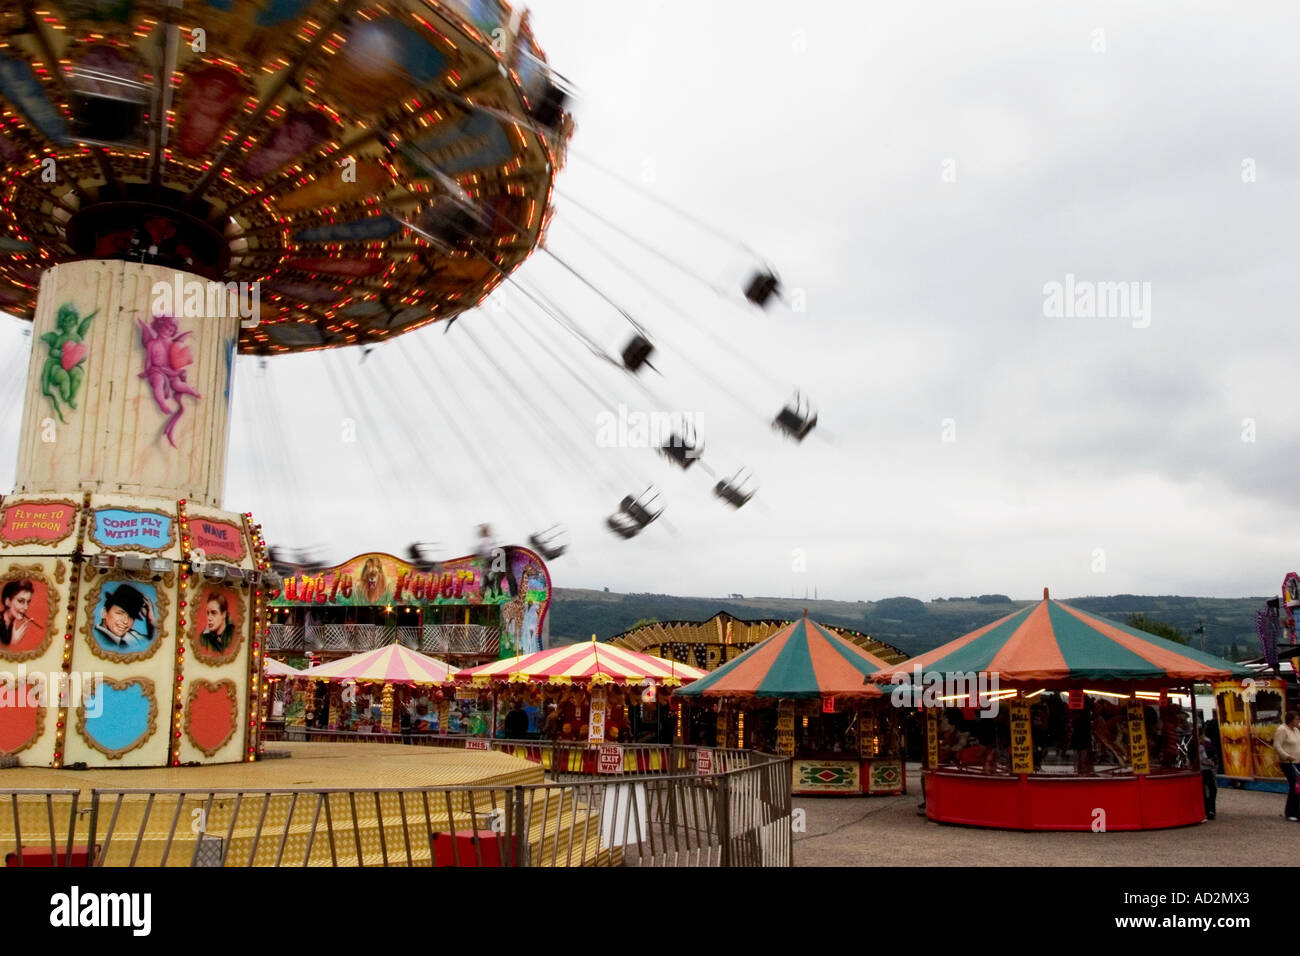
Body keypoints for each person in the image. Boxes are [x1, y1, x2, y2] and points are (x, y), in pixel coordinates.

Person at [94, 583, 155, 652]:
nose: (126, 621)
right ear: (104, 613)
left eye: (131, 616)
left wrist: (150, 620)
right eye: (120, 613)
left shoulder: (132, 636)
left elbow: (153, 642)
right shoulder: (96, 637)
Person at [1273, 711, 1300, 821]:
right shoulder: (1282, 730)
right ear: (1290, 720)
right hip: (1288, 763)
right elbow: (1277, 745)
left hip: (1298, 762)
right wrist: (1286, 756)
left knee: (1298, 787)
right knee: (1294, 785)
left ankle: (1296, 810)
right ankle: (1290, 812)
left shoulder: (1296, 730)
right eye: (1296, 719)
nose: (1298, 721)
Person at [0, 579, 35, 647]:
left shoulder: (11, 624)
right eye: (21, 601)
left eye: (28, 602)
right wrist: (13, 643)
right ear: (8, 602)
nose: (26, 607)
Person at [1199, 733, 1217, 820]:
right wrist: (1210, 762)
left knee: (1206, 790)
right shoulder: (1200, 747)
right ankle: (1210, 810)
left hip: (1202, 770)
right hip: (1205, 770)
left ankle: (1208, 810)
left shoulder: (1199, 746)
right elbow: (1203, 759)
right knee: (1211, 790)